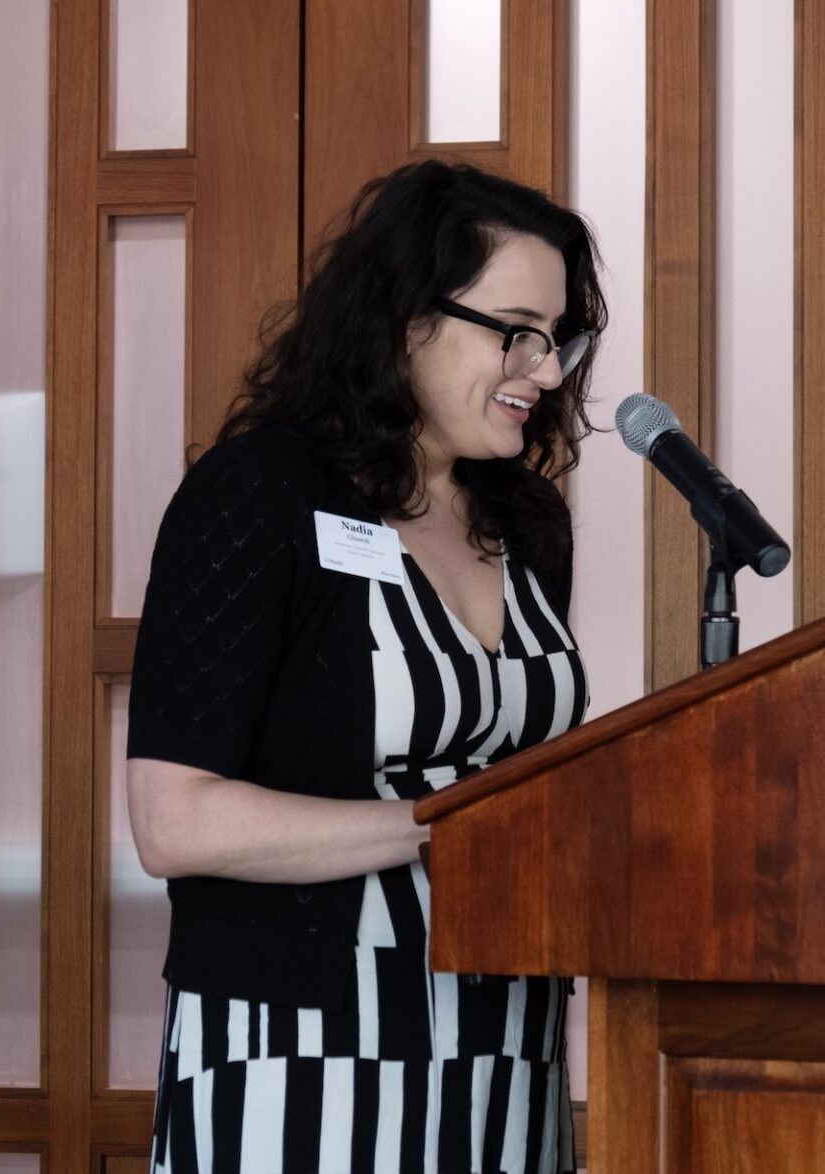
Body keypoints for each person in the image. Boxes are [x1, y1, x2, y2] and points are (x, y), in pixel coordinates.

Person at [126, 160, 605, 1172]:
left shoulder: (527, 523)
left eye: (558, 337)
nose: (546, 368)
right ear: (405, 318)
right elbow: (174, 821)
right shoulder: (256, 495)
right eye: (515, 330)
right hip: (303, 1044)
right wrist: (448, 828)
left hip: (504, 1043)